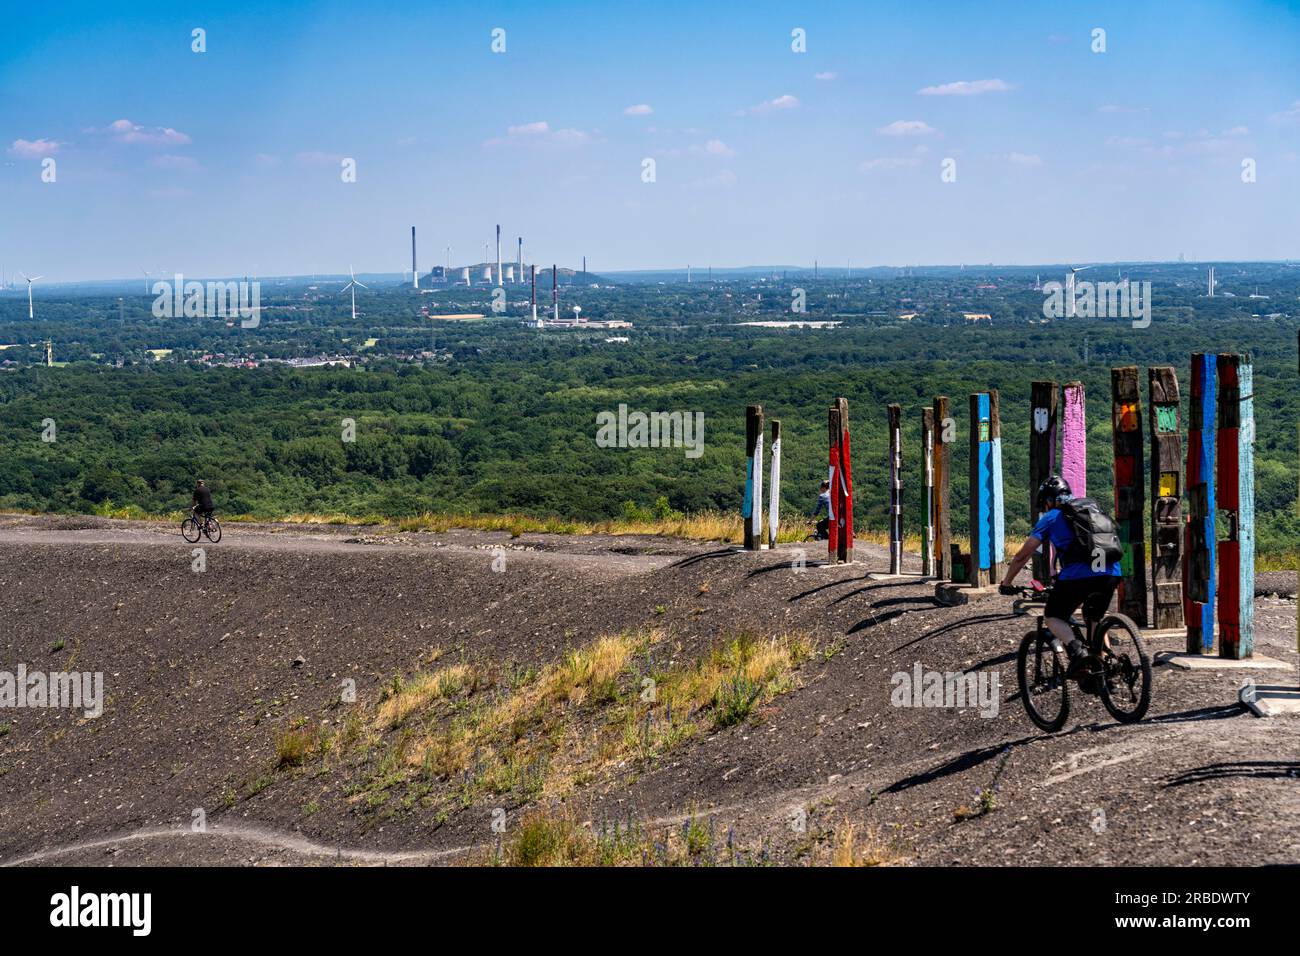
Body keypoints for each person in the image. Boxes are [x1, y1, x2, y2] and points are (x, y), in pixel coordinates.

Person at [998, 475, 1121, 676]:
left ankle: (1076, 650)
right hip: (1111, 572)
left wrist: (1007, 583)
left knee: (1053, 615)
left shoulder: (1052, 517)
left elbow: (1022, 556)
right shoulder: (1092, 509)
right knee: (1094, 617)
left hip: (1078, 576)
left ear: (1048, 500)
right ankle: (1107, 666)